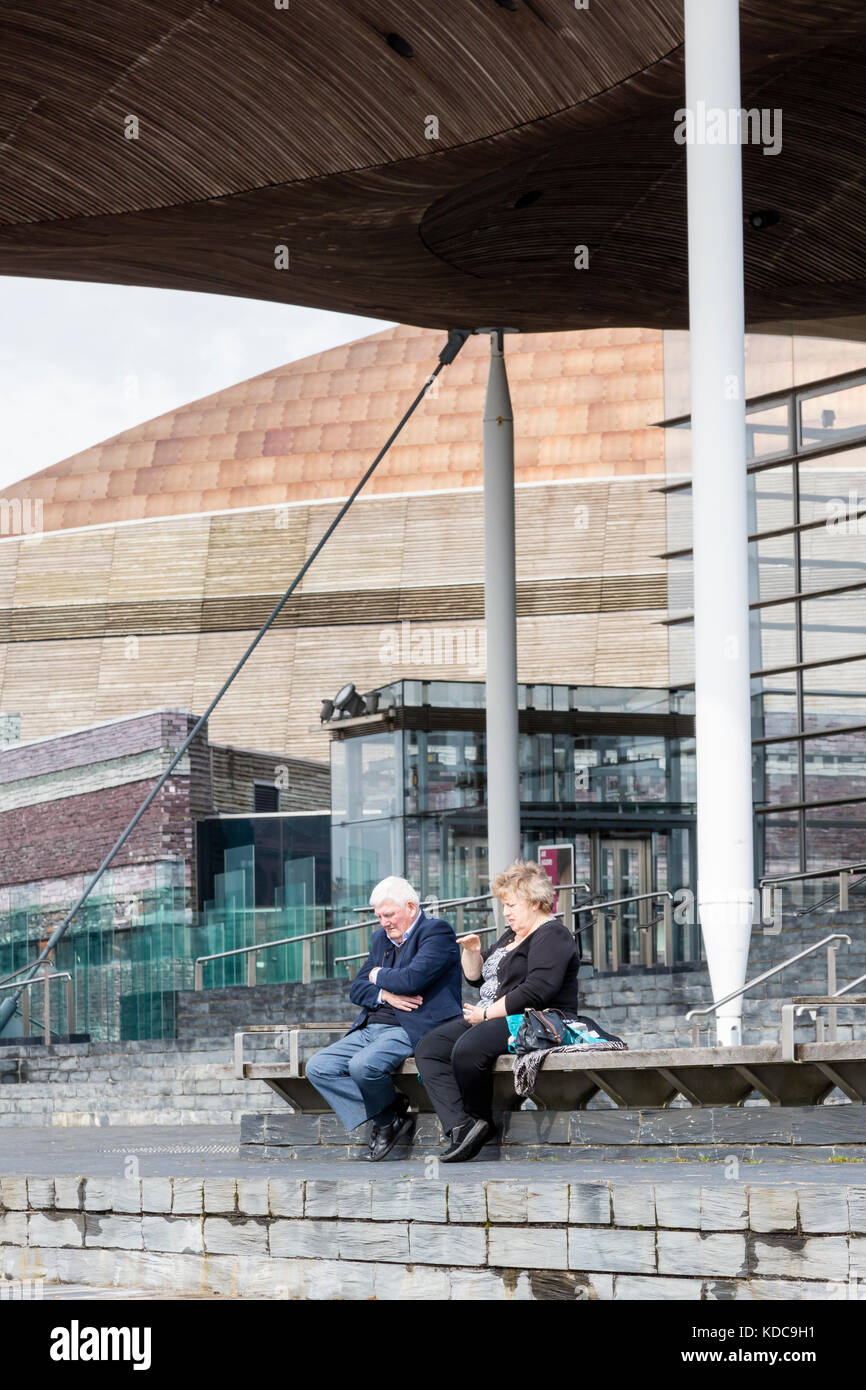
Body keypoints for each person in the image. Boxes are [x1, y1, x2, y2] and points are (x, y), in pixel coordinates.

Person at [415, 859, 578, 1163]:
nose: (506, 912)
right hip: (493, 1012)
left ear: (533, 901)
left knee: (468, 1048)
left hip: (533, 1017)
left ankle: (480, 1119)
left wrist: (486, 1016)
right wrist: (473, 953)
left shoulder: (553, 935)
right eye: (504, 905)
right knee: (429, 1047)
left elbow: (537, 990)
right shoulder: (510, 935)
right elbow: (478, 979)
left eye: (512, 905)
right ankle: (462, 1127)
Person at [304, 876, 461, 1161]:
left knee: (363, 1066)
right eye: (379, 916)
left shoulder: (436, 932)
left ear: (411, 907)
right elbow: (356, 989)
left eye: (388, 914)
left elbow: (413, 979)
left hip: (411, 1025)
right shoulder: (381, 939)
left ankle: (386, 1119)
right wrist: (385, 995)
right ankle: (389, 1115)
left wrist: (377, 976)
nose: (383, 922)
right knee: (318, 1067)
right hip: (372, 1024)